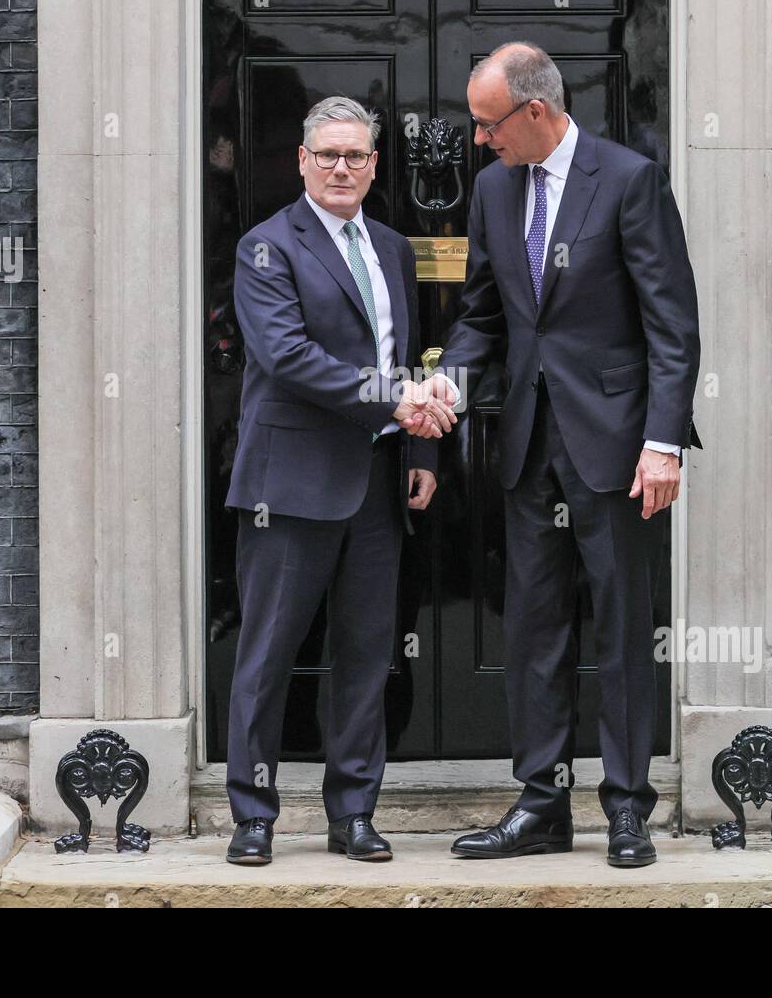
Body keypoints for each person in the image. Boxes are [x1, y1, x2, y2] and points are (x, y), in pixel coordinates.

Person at [406, 43, 703, 868]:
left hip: (617, 449)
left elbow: (672, 325)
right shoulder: (496, 189)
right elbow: (483, 316)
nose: (477, 140)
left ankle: (627, 810)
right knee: (534, 630)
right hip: (528, 444)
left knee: (619, 628)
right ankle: (541, 804)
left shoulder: (630, 180)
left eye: (487, 123)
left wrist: (662, 442)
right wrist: (450, 388)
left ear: (535, 113)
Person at [224, 96, 455, 865]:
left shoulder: (392, 246)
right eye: (327, 155)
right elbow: (289, 358)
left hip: (379, 483)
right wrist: (394, 400)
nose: (342, 168)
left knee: (365, 655)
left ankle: (353, 812)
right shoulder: (266, 248)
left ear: (375, 164)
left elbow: (412, 353)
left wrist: (420, 447)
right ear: (301, 161)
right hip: (289, 485)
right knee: (269, 654)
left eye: (356, 156)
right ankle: (253, 817)